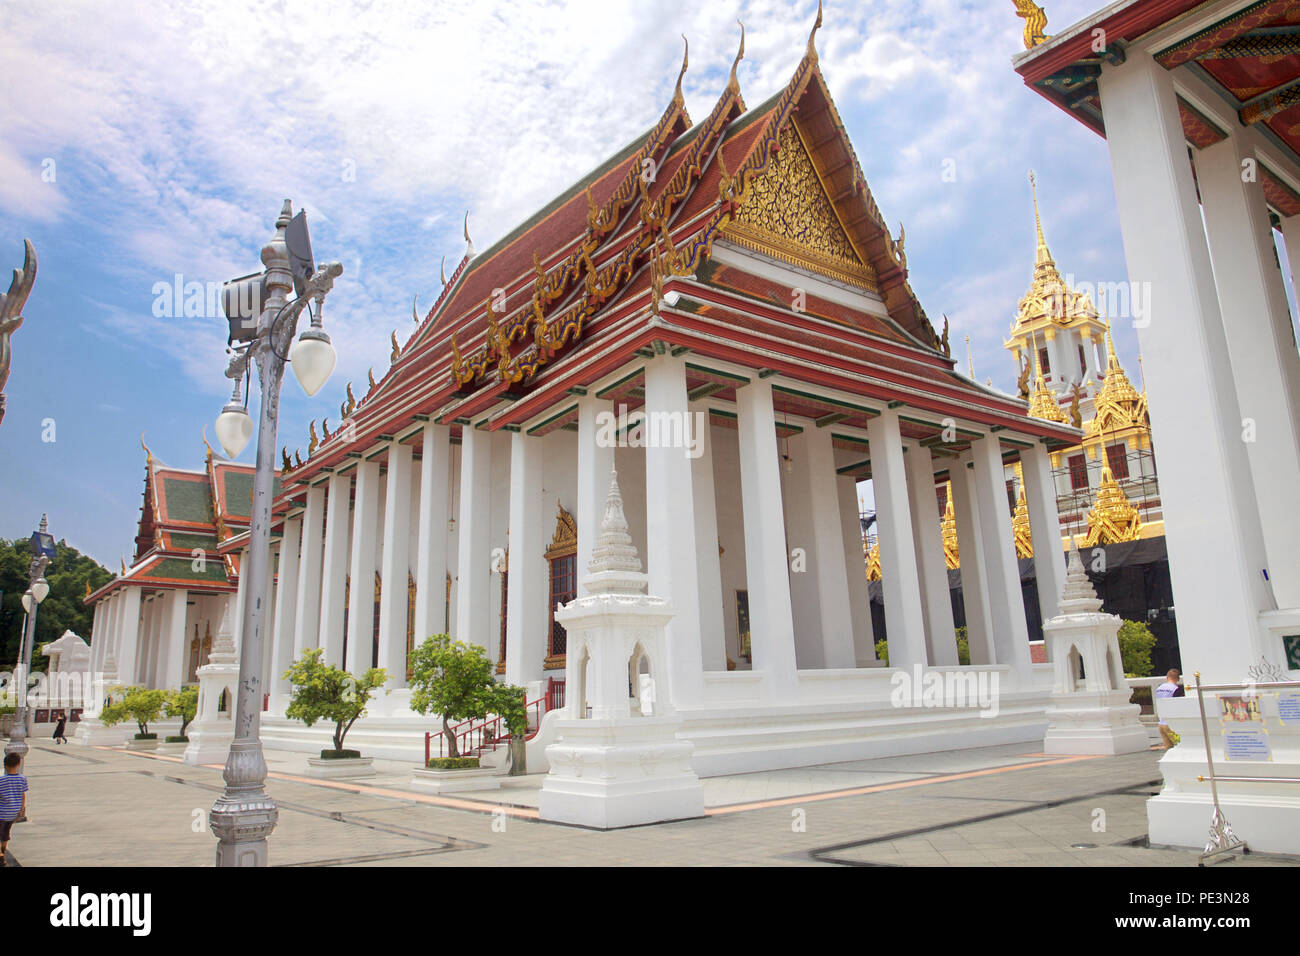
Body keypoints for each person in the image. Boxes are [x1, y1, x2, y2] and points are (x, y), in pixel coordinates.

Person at [0, 752, 28, 866]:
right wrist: (21, 809)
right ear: (19, 764)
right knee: (5, 833)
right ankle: (3, 850)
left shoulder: (1, 780)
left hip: (1, 813)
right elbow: (23, 795)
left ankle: (0, 855)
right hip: (13, 813)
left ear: (5, 765)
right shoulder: (22, 778)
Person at [1155, 668, 1182, 749]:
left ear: (1167, 677)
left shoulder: (1158, 689)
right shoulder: (1176, 689)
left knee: (1169, 749)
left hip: (1161, 724)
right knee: (1180, 746)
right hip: (1171, 725)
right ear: (1178, 679)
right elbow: (1179, 705)